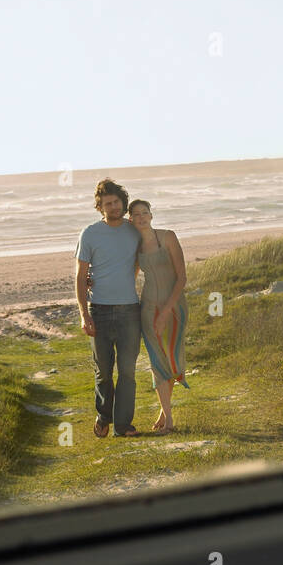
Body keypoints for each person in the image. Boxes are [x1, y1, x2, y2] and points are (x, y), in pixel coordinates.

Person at [76, 179, 142, 438]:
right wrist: (84, 314)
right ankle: (104, 414)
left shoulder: (134, 230)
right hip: (99, 310)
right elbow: (81, 277)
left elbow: (142, 259)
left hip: (130, 310)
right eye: (107, 204)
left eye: (116, 202)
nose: (113, 207)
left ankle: (123, 425)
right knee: (103, 370)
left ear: (123, 203)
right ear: (100, 207)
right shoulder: (89, 234)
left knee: (127, 370)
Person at [128, 199, 188, 435]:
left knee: (171, 358)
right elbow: (129, 278)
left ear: (151, 215)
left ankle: (164, 414)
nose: (141, 217)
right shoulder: (135, 248)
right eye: (136, 214)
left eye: (145, 212)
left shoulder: (168, 237)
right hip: (148, 308)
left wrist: (166, 312)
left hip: (175, 306)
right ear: (131, 220)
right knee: (157, 362)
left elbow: (182, 278)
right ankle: (169, 420)